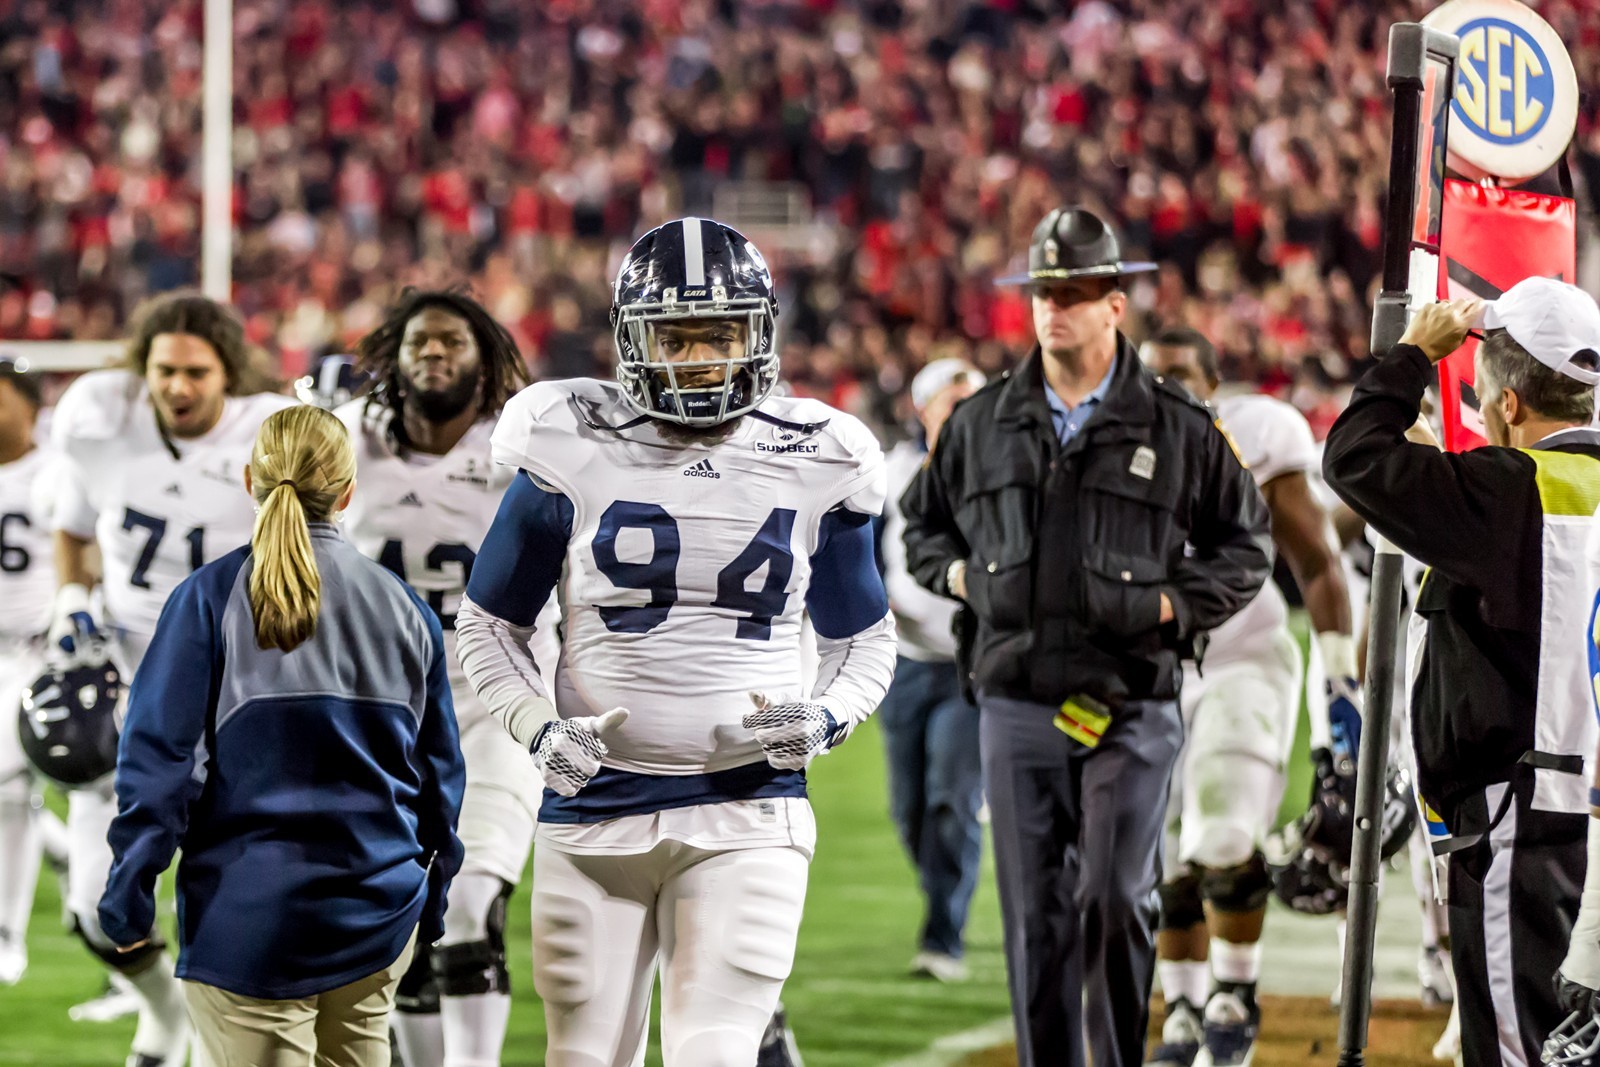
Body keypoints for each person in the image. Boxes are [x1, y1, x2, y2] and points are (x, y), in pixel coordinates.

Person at [453, 217, 897, 1066]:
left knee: (716, 1054)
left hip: (749, 806)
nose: (698, 358)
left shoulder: (819, 453)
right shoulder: (567, 435)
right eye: (676, 336)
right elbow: (490, 621)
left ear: (760, 333)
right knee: (582, 1057)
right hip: (590, 807)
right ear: (631, 339)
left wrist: (829, 717)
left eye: (720, 334)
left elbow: (862, 639)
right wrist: (534, 726)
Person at [899, 206, 1273, 1067]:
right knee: (1036, 915)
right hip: (1016, 698)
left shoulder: (1177, 425)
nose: (1053, 307)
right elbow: (924, 531)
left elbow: (1246, 543)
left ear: (1115, 302)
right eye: (1042, 291)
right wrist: (961, 579)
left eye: (1072, 291)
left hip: (1133, 697)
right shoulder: (981, 421)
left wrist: (1176, 607)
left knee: (1113, 896)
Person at [97, 404, 466, 1067]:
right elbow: (440, 778)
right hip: (379, 913)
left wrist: (129, 893)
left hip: (249, 922)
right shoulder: (407, 608)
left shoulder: (209, 597)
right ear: (349, 491)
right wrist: (432, 901)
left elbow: (161, 764)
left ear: (249, 480)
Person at [1323, 278, 1600, 1067]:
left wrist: (1412, 353)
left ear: (1509, 401)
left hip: (1523, 818)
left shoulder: (1504, 492)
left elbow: (1352, 456)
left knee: (1521, 1050)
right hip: (1592, 818)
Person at [42, 292, 294, 1066]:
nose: (177, 387)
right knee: (94, 902)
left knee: (247, 899)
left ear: (227, 370)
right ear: (141, 367)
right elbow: (73, 532)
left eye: (195, 372)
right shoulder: (100, 421)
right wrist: (73, 597)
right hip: (131, 683)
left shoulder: (269, 431)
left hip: (238, 688)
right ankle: (162, 1015)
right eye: (163, 371)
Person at [1142, 326, 1359, 1067]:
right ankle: (1182, 1005)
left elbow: (1320, 563)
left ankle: (1235, 997)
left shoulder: (1256, 433)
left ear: (1212, 382)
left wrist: (1339, 683)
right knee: (1161, 855)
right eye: (1148, 377)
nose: (1161, 390)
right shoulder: (1106, 447)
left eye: (1177, 374)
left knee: (1226, 838)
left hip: (1242, 654)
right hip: (1148, 669)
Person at [337, 289, 534, 1067]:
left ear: (483, 360)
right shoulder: (351, 439)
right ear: (395, 353)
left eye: (453, 341)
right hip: (382, 720)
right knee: (405, 925)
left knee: (475, 905)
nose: (435, 354)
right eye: (420, 341)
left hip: (494, 711)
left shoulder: (522, 449)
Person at [877, 357, 987, 983]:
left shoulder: (1000, 469)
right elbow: (862, 552)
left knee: (951, 800)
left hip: (968, 664)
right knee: (909, 810)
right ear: (924, 407)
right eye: (953, 399)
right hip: (905, 659)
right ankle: (948, 891)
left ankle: (944, 935)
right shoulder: (890, 473)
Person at [0, 357, 69, 985]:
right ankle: (62, 846)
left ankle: (6, 931)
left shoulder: (53, 472)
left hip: (31, 649)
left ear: (28, 406)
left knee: (7, 787)